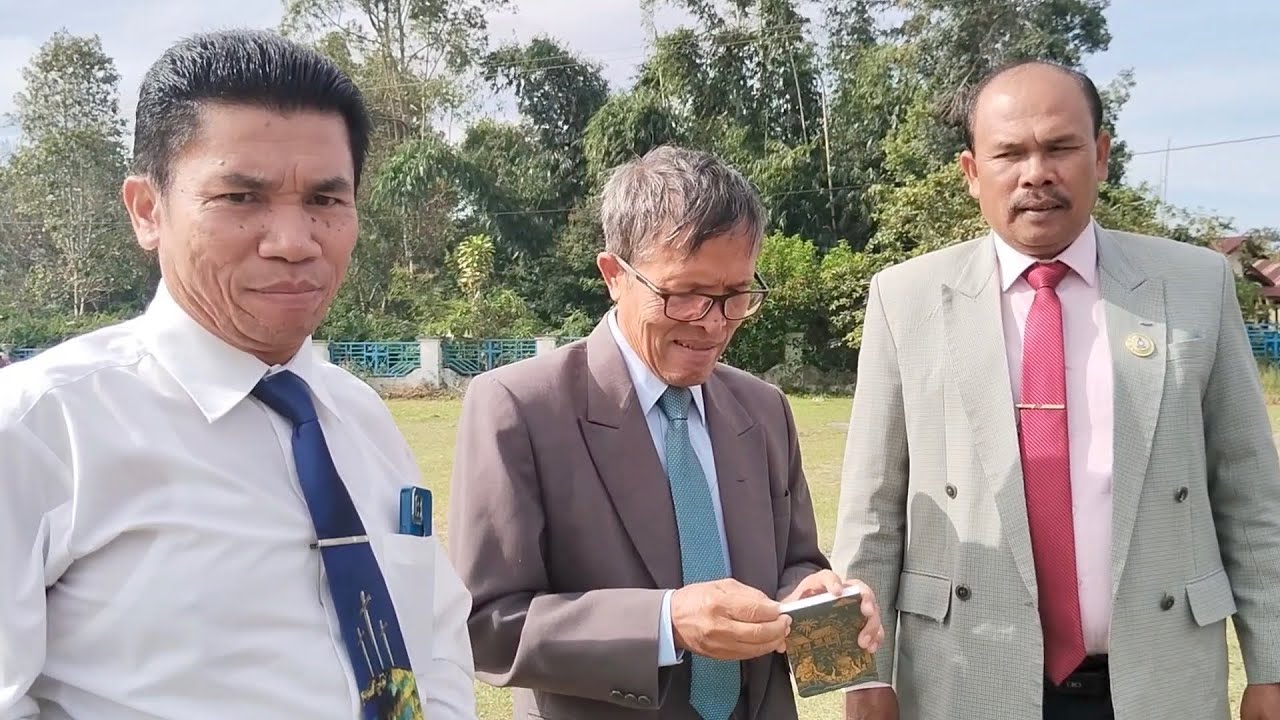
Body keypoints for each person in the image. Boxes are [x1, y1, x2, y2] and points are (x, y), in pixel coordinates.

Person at [0, 29, 475, 719]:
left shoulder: (359, 416)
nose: (293, 241)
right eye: (240, 198)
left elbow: (433, 639)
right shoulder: (43, 427)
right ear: (146, 210)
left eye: (325, 200)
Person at [831, 58, 1280, 720]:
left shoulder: (1193, 285)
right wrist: (854, 679)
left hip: (1160, 678)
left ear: (1100, 155)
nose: (1035, 172)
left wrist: (1272, 667)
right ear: (971, 172)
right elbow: (866, 515)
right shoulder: (904, 298)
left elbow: (1252, 498)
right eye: (1009, 152)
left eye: (1060, 147)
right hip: (965, 678)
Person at [446, 144, 885, 720]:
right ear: (613, 276)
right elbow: (485, 625)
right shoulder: (520, 408)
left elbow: (795, 561)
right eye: (684, 295)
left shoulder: (763, 409)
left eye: (736, 295)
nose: (714, 323)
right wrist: (666, 622)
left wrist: (813, 597)